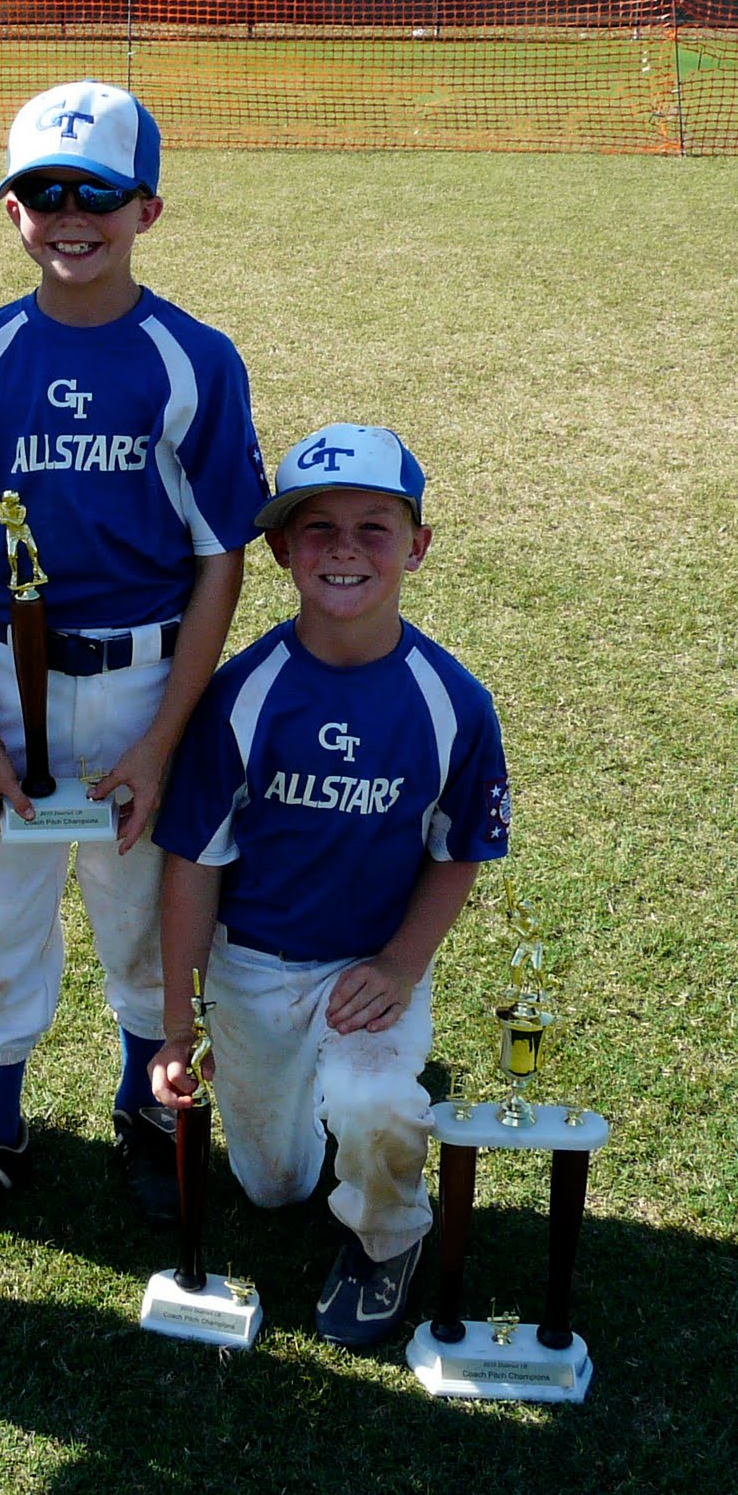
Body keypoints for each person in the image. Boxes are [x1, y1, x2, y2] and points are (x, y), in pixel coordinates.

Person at [0, 80, 268, 1251]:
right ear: (11, 210)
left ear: (145, 209)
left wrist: (161, 742)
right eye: (43, 192)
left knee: (144, 917)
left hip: (142, 682)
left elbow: (218, 557)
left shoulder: (191, 358)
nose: (70, 216)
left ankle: (143, 1112)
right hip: (7, 682)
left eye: (96, 194)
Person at [150, 423, 510, 1348]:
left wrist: (399, 966)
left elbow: (458, 848)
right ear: (279, 549)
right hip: (254, 968)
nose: (343, 549)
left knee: (372, 1106)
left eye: (373, 528)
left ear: (417, 547)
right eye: (317, 528)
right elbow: (193, 863)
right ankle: (329, 1100)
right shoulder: (242, 695)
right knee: (272, 1188)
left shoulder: (452, 701)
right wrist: (180, 1027)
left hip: (367, 968)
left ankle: (387, 1236)